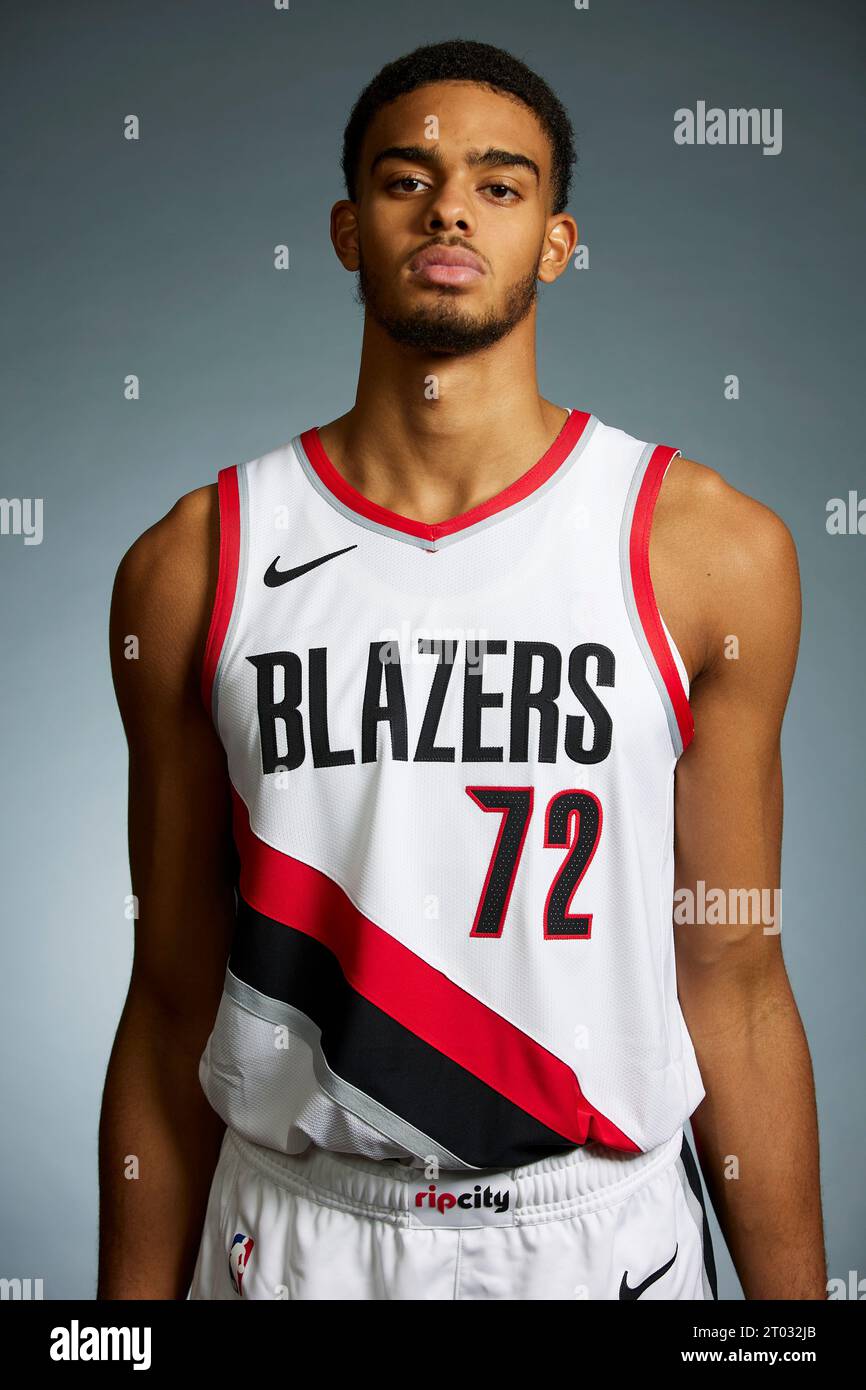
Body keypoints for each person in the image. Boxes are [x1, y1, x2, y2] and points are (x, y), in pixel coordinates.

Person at [98, 38, 825, 1300]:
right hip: (298, 1230)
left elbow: (736, 975)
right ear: (344, 229)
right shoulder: (196, 562)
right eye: (404, 179)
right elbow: (167, 997)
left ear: (554, 240)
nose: (448, 207)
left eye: (499, 183)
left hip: (599, 1232)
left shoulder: (704, 549)